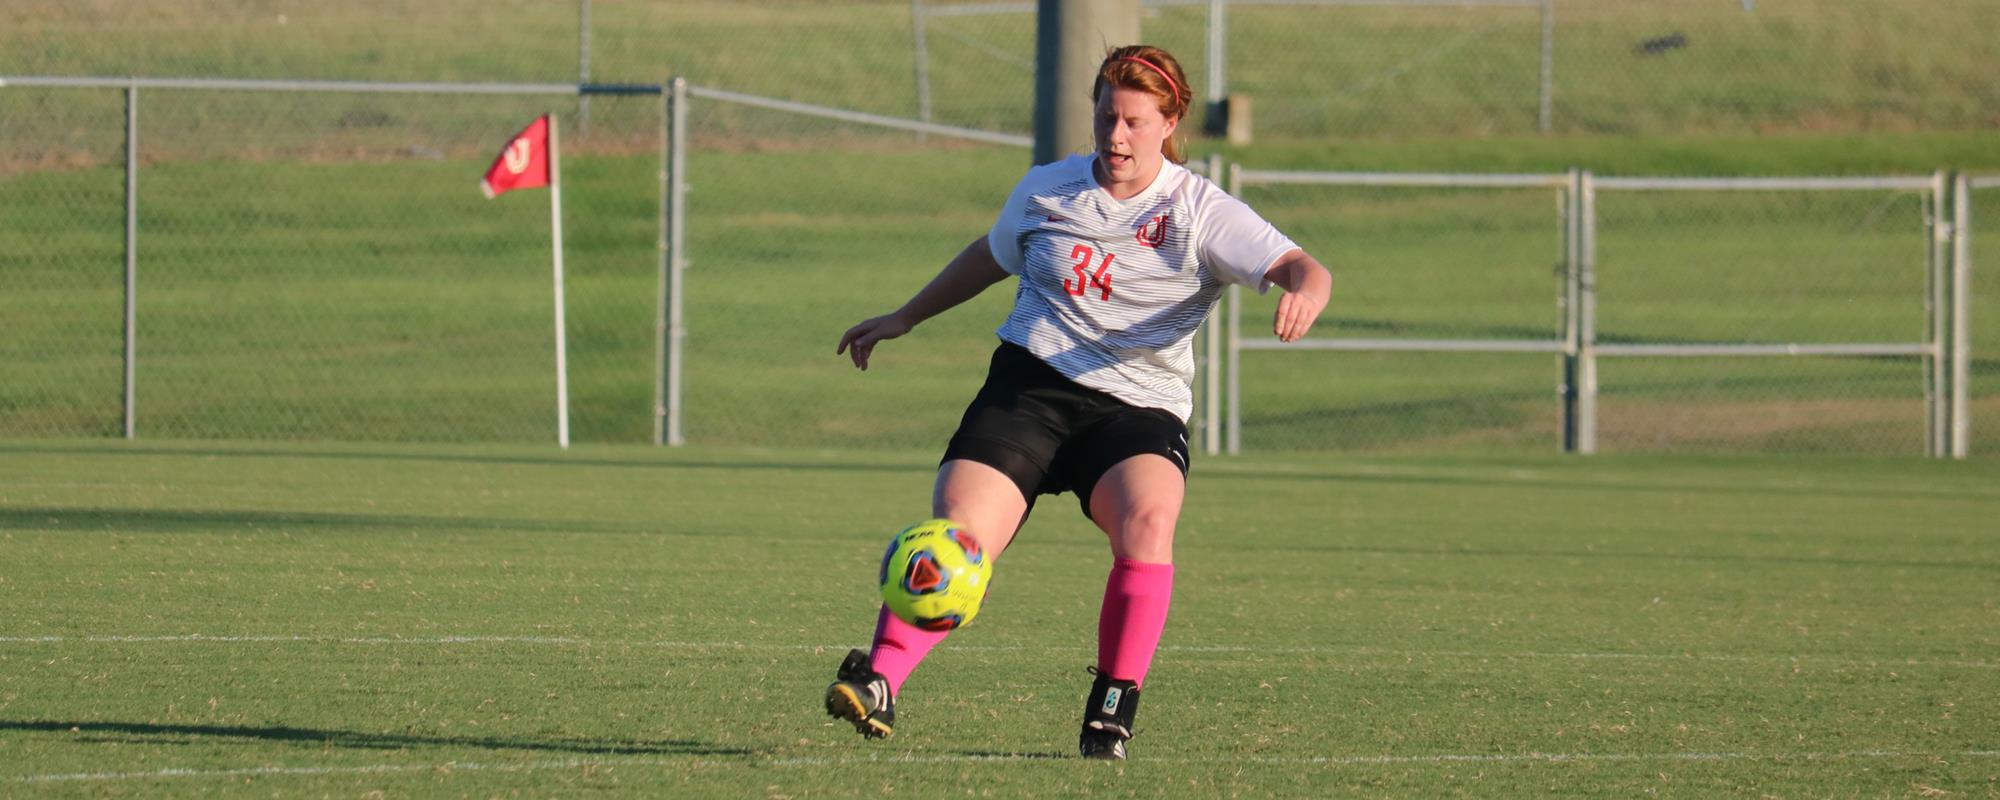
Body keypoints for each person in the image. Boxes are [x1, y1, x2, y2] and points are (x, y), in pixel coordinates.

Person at [824, 44, 1331, 760]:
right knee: (960, 531)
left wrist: (1305, 292)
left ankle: (1110, 711)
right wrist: (906, 316)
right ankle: (880, 679)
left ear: (1169, 123)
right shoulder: (1048, 189)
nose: (1115, 136)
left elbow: (1302, 266)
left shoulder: (1201, 211)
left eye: (1133, 122)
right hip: (1029, 388)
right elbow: (990, 255)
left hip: (1136, 411)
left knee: (1149, 521)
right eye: (1105, 117)